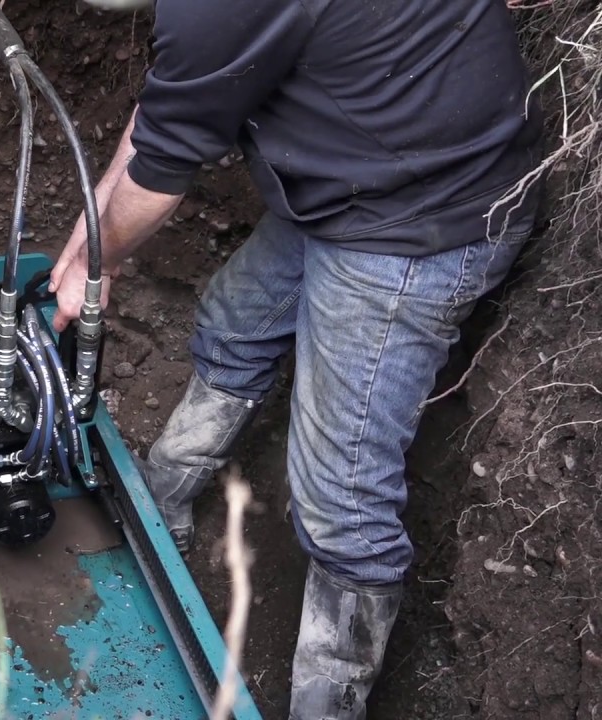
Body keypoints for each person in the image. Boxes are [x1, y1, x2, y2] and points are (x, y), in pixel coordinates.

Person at [47, 0, 544, 717]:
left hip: (429, 214)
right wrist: (90, 237)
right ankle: (159, 505)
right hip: (372, 165)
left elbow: (159, 173)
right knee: (235, 326)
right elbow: (167, 111)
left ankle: (327, 702)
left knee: (341, 497)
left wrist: (101, 261)